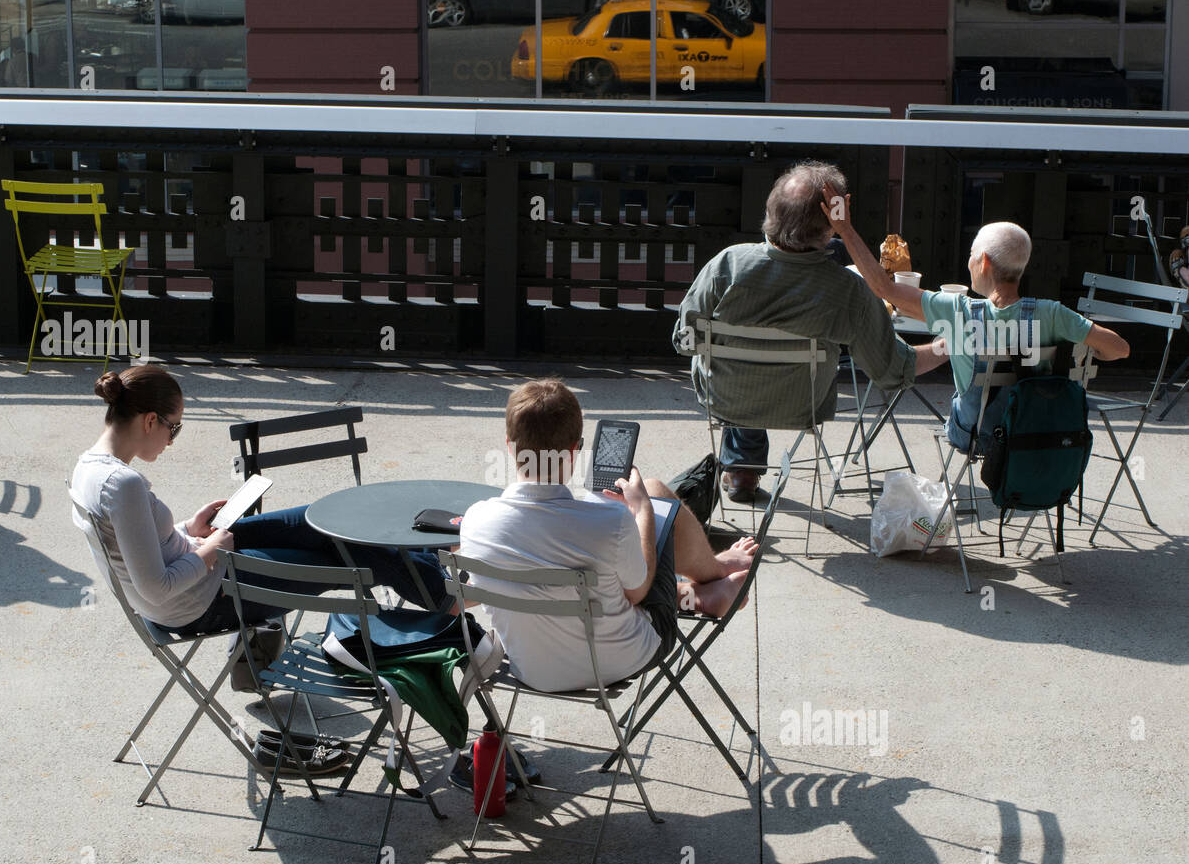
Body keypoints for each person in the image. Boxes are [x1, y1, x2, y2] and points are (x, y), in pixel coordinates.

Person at [71, 364, 447, 638]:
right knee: (339, 555)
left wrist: (189, 528)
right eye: (175, 427)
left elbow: (136, 542)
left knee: (319, 519)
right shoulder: (123, 484)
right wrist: (210, 550)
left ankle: (430, 564)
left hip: (196, 564)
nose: (172, 440)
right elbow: (156, 586)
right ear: (151, 420)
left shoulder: (89, 468)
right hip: (201, 600)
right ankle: (444, 590)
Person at [457, 379, 759, 696]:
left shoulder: (475, 521)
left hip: (532, 671)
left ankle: (698, 593)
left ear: (509, 445)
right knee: (655, 492)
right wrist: (641, 511)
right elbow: (638, 593)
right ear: (575, 450)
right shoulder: (610, 522)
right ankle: (710, 574)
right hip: (620, 660)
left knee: (601, 570)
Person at [673, 160, 949, 503]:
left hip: (726, 398)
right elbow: (894, 369)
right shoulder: (848, 291)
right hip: (802, 406)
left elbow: (685, 341)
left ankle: (742, 468)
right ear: (829, 226)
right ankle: (743, 465)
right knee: (772, 370)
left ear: (771, 212)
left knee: (741, 363)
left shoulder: (726, 265)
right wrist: (948, 345)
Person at [822, 193, 1130, 451]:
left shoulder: (957, 310)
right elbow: (1120, 349)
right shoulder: (1053, 314)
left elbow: (883, 289)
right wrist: (1086, 350)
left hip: (976, 436)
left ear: (984, 262)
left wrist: (845, 229)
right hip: (1038, 437)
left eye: (972, 255)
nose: (969, 263)